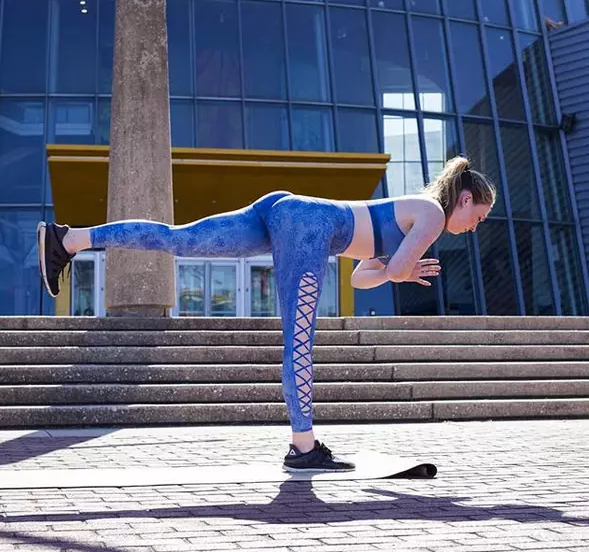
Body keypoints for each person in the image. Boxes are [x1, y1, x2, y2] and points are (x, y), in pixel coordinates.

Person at [37, 155, 496, 473]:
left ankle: (69, 239)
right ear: (464, 199)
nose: (475, 226)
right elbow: (393, 269)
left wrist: (398, 271)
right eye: (478, 216)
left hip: (286, 209)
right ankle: (303, 447)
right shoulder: (432, 214)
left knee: (179, 240)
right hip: (309, 227)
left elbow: (361, 278)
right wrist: (403, 271)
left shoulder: (414, 216)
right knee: (299, 341)